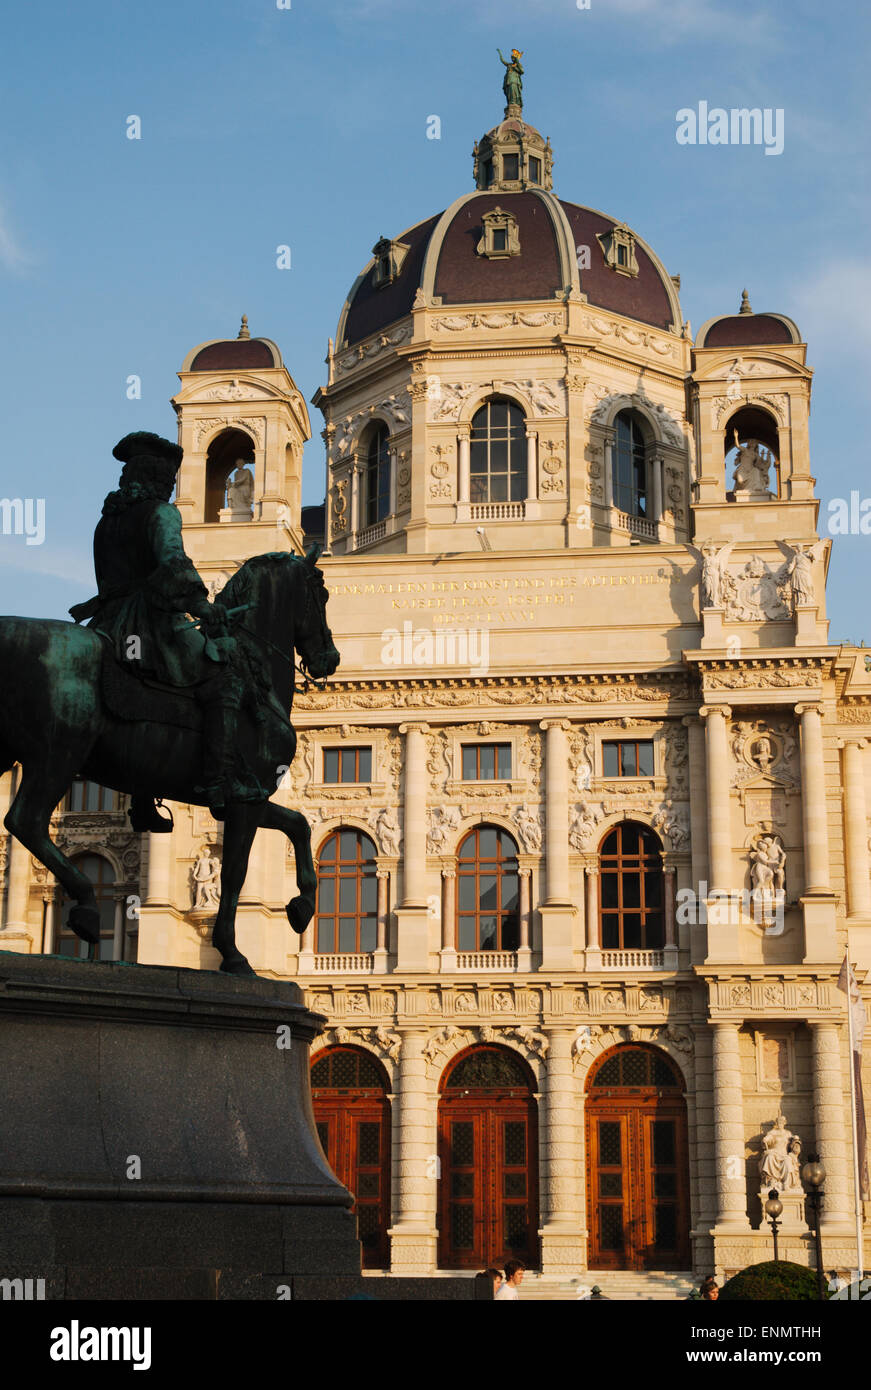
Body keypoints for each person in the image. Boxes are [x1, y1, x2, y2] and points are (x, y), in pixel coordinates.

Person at [70, 432, 263, 820]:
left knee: (147, 694)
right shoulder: (160, 514)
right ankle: (217, 779)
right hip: (148, 623)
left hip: (107, 623)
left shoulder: (107, 521)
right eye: (170, 480)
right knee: (225, 680)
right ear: (160, 478)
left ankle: (143, 796)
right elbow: (173, 564)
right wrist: (202, 608)